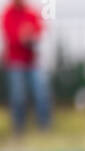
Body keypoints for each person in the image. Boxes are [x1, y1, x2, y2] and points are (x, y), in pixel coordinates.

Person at [3, 0, 51, 134]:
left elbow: (40, 31)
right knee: (18, 95)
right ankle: (19, 128)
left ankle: (44, 126)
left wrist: (30, 35)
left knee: (41, 92)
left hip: (32, 62)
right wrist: (22, 36)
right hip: (15, 62)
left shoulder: (31, 12)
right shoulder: (7, 14)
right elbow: (11, 36)